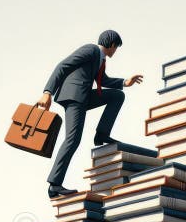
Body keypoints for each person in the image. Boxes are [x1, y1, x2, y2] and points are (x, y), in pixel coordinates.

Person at [38, 30, 143, 198]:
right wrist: (47, 92)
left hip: (84, 96)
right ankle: (54, 185)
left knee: (117, 95)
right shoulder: (91, 50)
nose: (116, 51)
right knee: (73, 139)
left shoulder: (100, 61)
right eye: (116, 47)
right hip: (74, 97)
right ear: (112, 44)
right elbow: (62, 66)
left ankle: (101, 135)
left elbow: (104, 81)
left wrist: (125, 82)